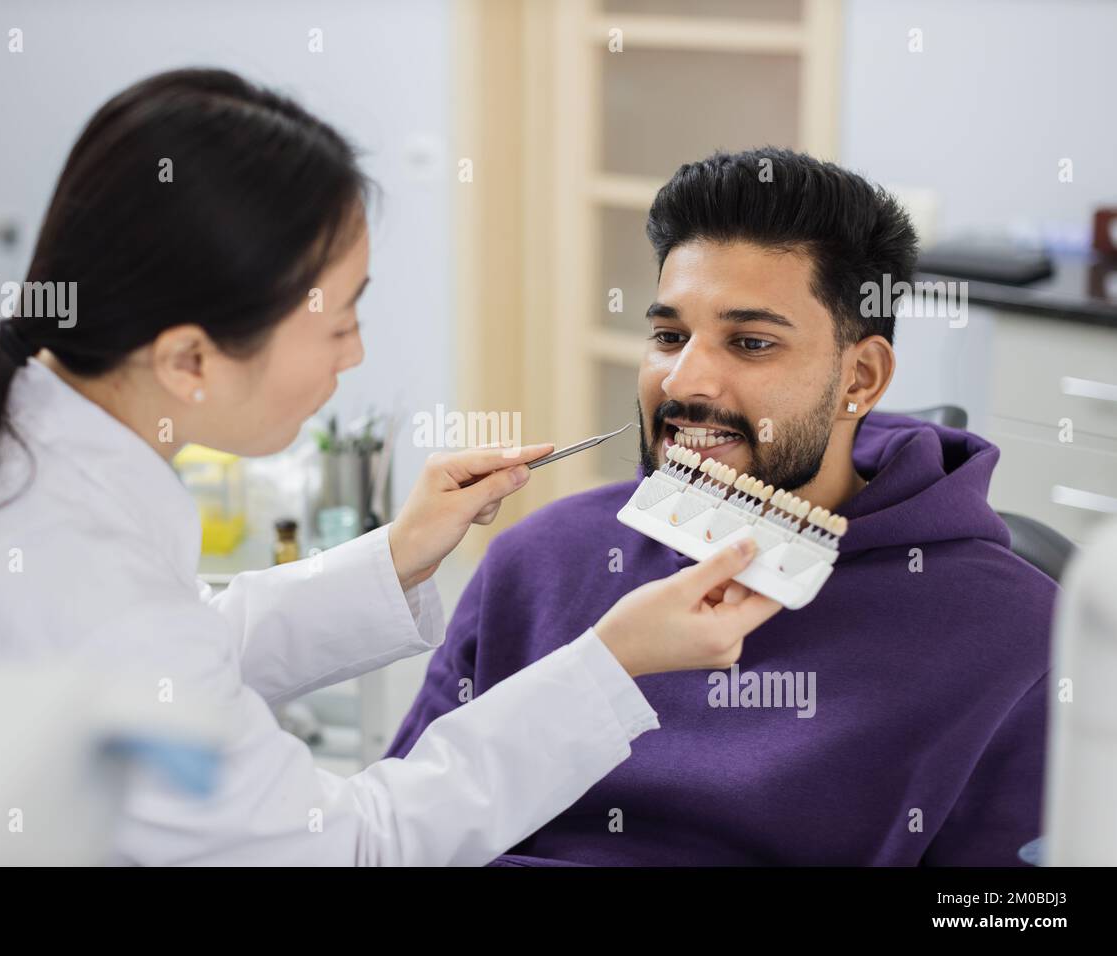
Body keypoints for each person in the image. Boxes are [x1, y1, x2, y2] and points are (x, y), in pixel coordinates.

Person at [0, 70, 780, 865]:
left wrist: (396, 554)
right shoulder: (80, 568)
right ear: (190, 359)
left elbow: (172, 651)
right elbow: (354, 849)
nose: (355, 356)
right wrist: (612, 669)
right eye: (339, 322)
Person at [387, 149, 1057, 866]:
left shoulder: (1018, 639)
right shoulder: (540, 557)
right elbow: (392, 831)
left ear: (860, 376)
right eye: (670, 336)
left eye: (750, 342)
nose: (684, 378)